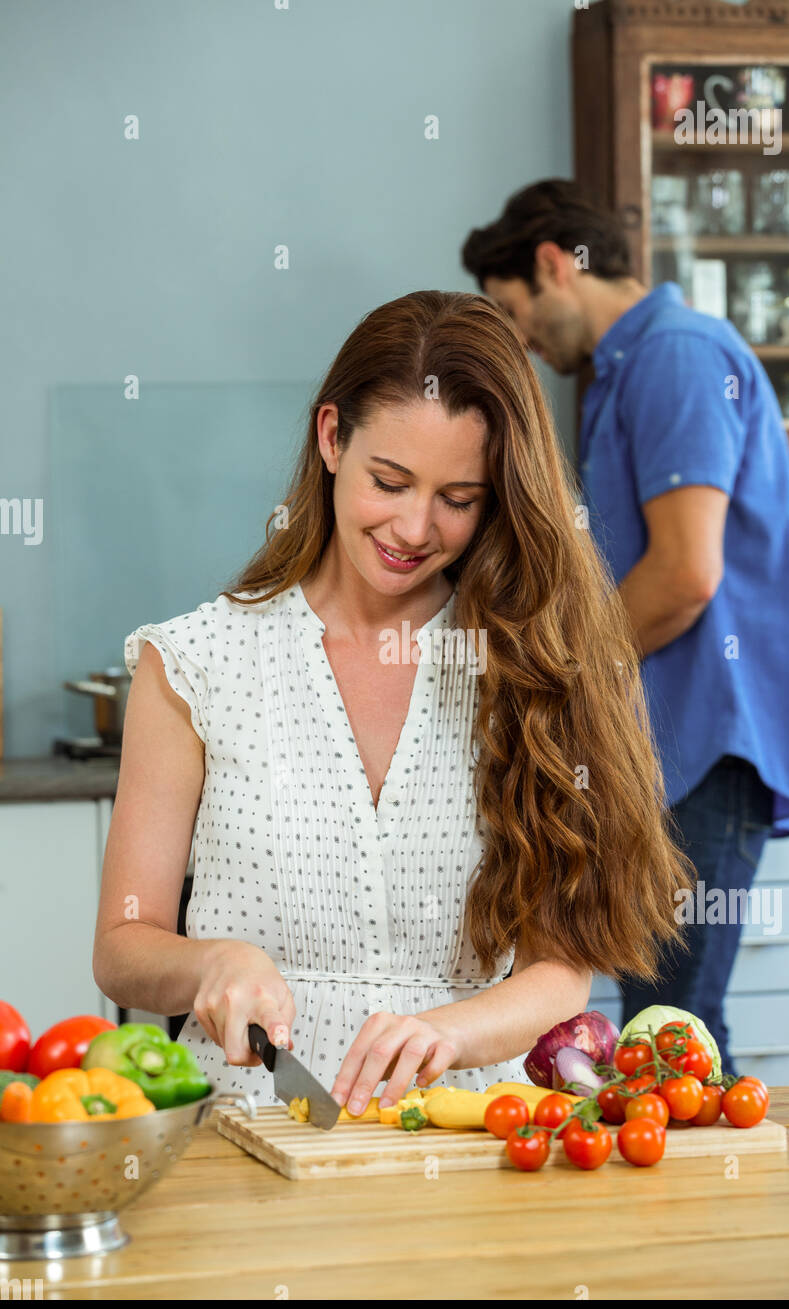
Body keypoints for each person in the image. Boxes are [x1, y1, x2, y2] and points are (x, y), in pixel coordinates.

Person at [94, 289, 691, 1112]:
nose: (414, 528)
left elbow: (561, 971)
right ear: (333, 438)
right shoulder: (195, 663)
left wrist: (450, 1034)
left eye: (458, 499)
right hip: (246, 1126)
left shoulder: (533, 667)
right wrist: (213, 962)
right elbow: (125, 945)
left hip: (470, 1125)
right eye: (391, 480)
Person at [462, 179, 789, 1074]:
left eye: (515, 312)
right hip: (669, 752)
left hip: (705, 752)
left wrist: (557, 669)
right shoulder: (627, 372)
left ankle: (706, 1218)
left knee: (673, 1034)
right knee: (660, 1031)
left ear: (554, 266)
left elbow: (686, 574)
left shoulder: (677, 356)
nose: (526, 345)